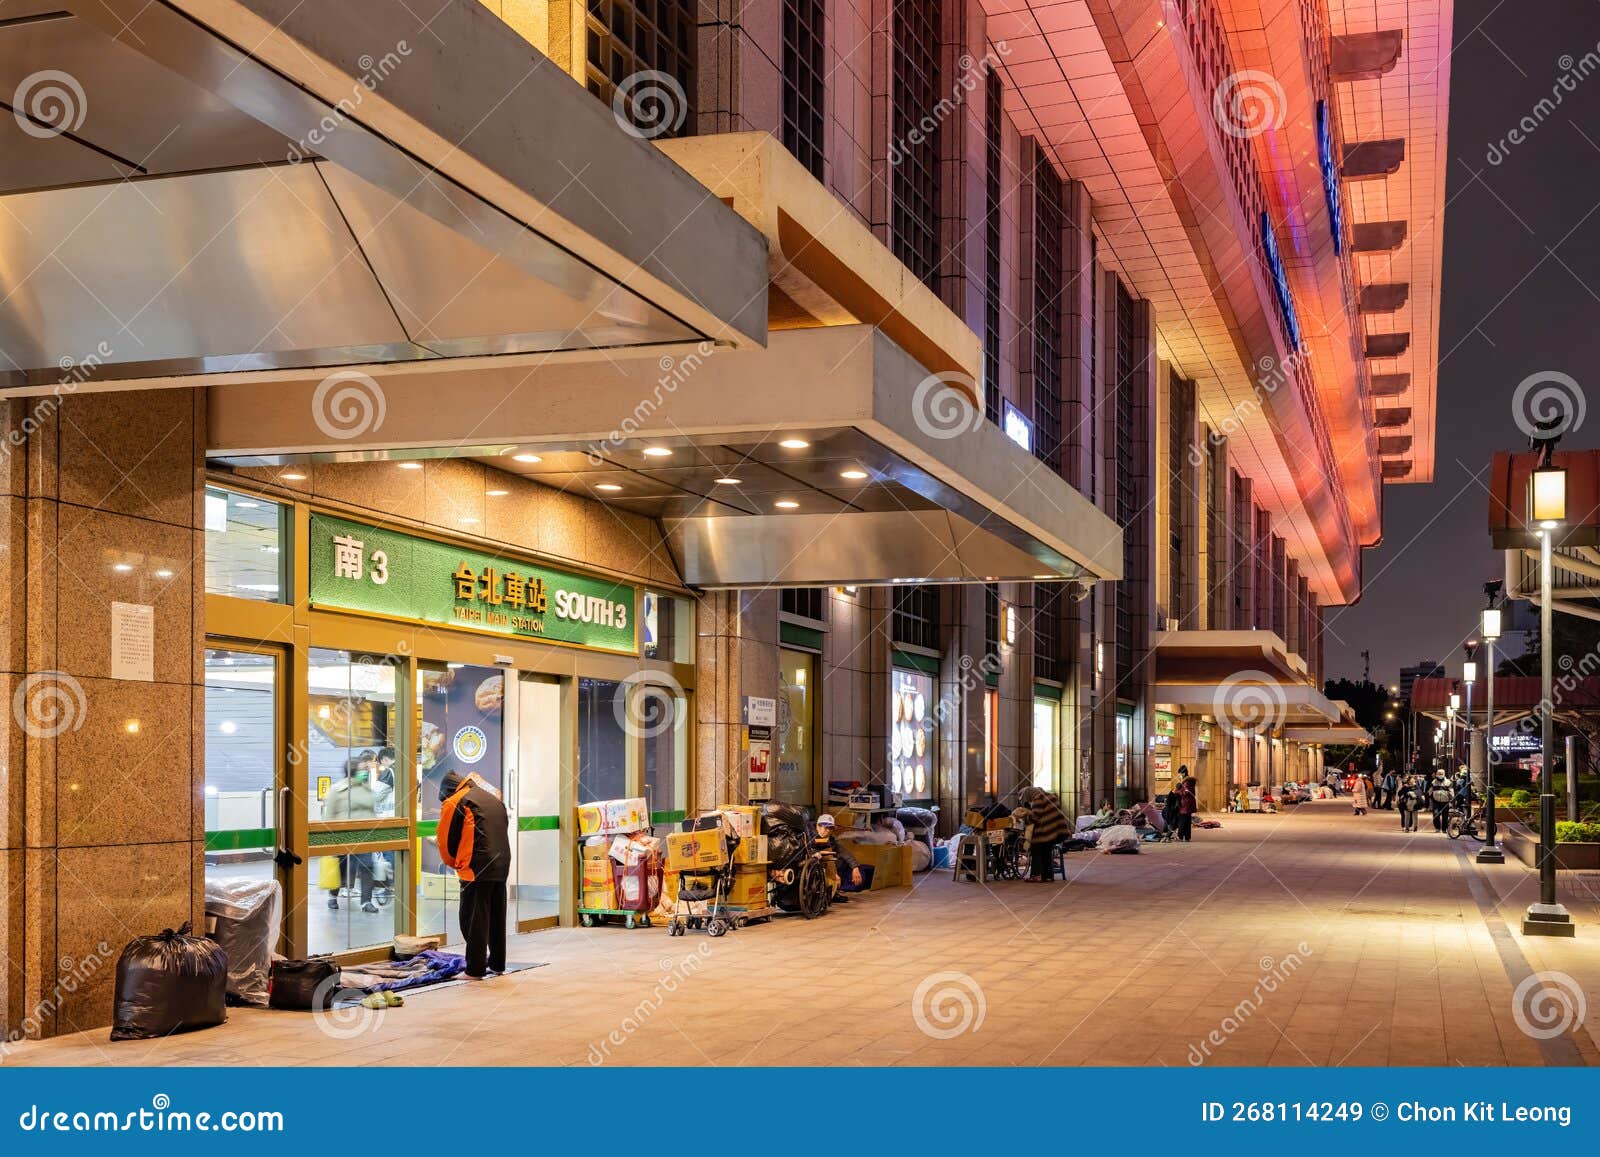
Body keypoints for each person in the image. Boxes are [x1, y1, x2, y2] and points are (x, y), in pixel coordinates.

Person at [438, 769, 512, 979]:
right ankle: (497, 964)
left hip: (475, 865)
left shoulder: (456, 801)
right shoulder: (491, 798)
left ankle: (474, 969)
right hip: (501, 863)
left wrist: (455, 864)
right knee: (497, 916)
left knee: (473, 918)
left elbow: (445, 841)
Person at [1019, 786, 1072, 879]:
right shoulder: (1051, 796)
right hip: (1060, 831)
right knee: (1046, 850)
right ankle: (1047, 875)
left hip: (1050, 832)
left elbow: (1035, 817)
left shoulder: (1038, 799)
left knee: (1036, 847)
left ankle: (1036, 875)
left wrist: (1025, 818)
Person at [812, 815, 864, 899]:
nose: (827, 831)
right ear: (817, 826)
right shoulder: (811, 838)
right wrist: (833, 874)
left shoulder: (831, 840)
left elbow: (845, 853)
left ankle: (838, 888)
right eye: (825, 827)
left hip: (834, 867)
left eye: (830, 828)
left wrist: (855, 868)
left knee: (860, 871)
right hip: (819, 869)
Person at [1176, 776, 1198, 842]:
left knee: (1182, 821)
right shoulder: (1191, 783)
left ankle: (1180, 836)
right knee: (1187, 822)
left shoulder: (1186, 784)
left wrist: (1178, 791)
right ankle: (1187, 837)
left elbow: (1185, 793)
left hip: (1185, 805)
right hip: (1189, 805)